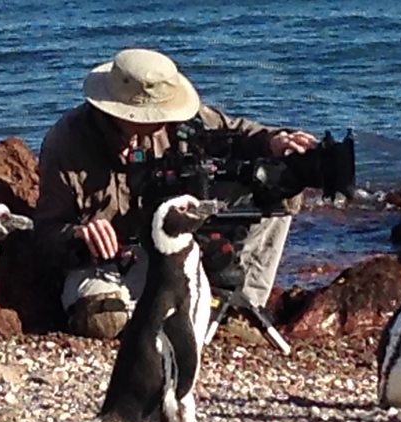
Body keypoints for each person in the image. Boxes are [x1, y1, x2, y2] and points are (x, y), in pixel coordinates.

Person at [33, 48, 318, 340]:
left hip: (174, 245)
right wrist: (79, 234)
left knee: (279, 188)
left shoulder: (183, 121)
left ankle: (240, 304)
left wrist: (276, 140)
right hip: (109, 263)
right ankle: (178, 311)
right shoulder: (66, 143)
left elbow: (237, 133)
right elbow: (44, 234)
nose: (160, 122)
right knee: (103, 320)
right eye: (150, 115)